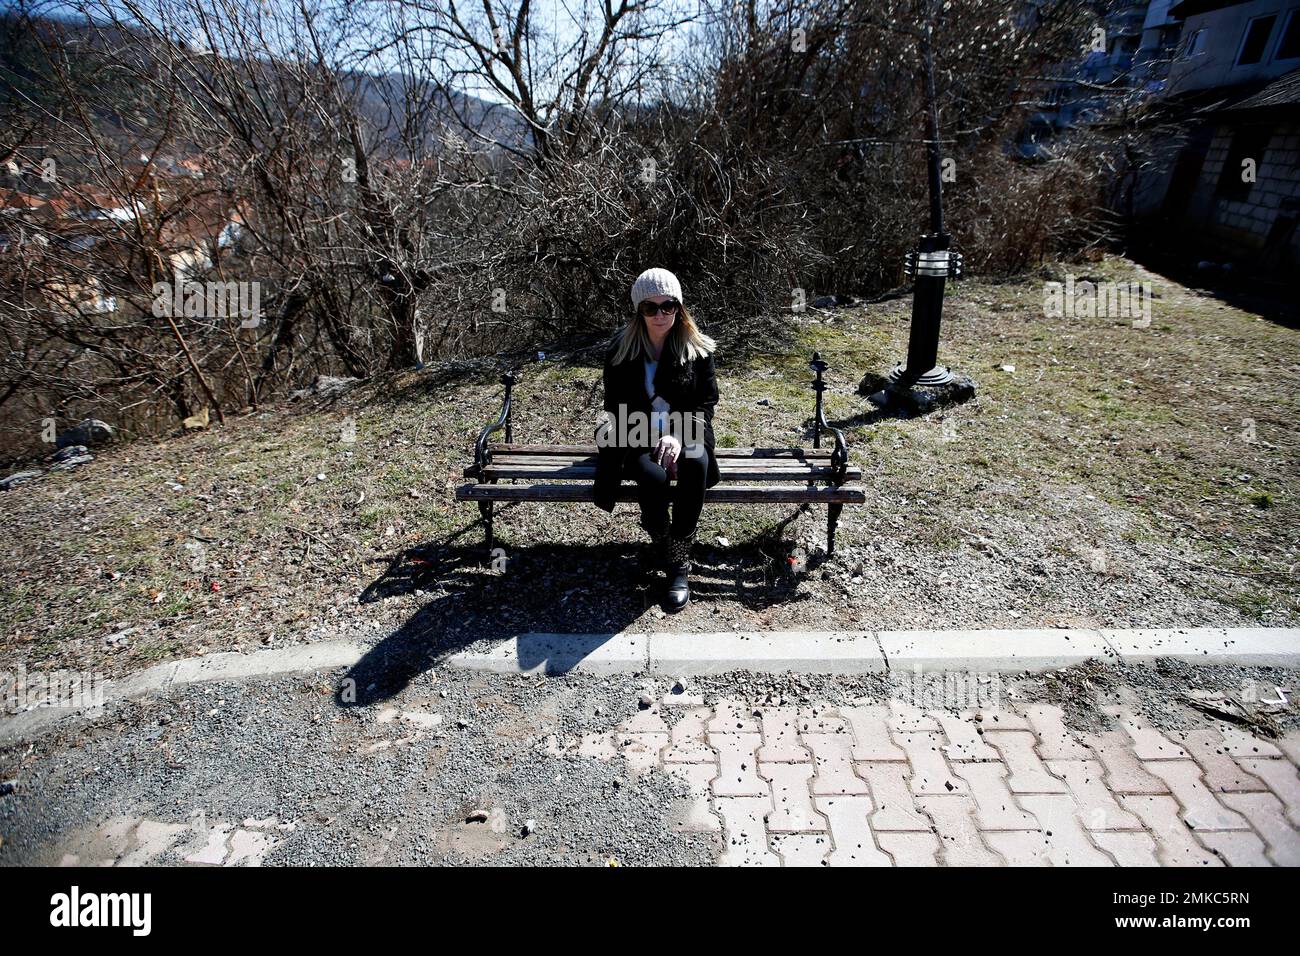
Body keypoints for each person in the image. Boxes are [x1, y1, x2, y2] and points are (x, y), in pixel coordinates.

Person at [593, 268, 720, 612]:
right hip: (635, 431)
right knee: (652, 476)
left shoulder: (698, 349)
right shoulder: (621, 350)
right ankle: (664, 542)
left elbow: (706, 402)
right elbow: (615, 408)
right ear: (639, 311)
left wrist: (677, 435)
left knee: (696, 463)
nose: (661, 314)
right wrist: (653, 436)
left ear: (679, 308)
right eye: (651, 308)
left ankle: (678, 566)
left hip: (689, 427)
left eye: (669, 306)